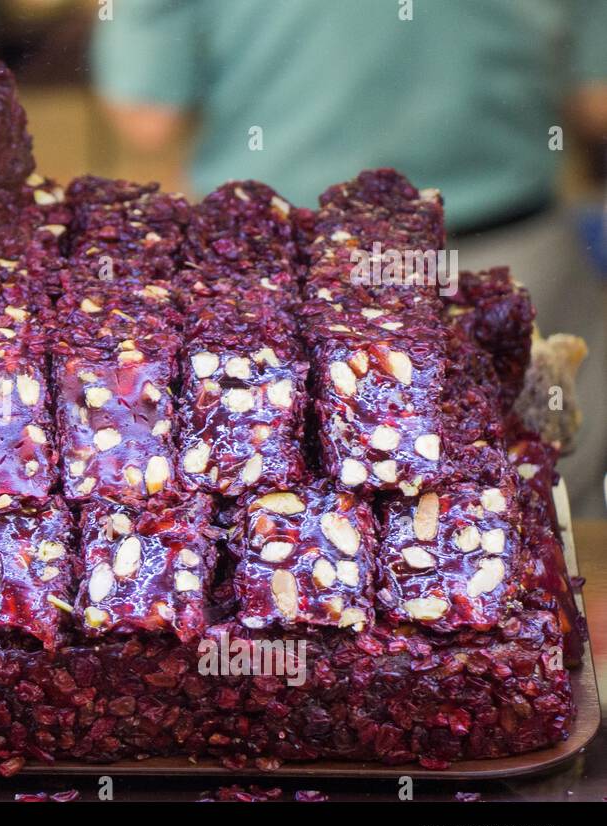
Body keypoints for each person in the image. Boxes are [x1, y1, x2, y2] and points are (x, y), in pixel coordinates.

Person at [93, 0, 607, 518]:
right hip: (509, 257)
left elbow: (147, 116)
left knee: (282, 525)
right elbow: (596, 99)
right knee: (551, 517)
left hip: (275, 279)